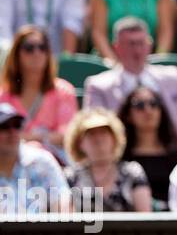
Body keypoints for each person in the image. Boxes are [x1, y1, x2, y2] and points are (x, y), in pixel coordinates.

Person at [84, 17, 177, 158]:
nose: (137, 50)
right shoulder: (99, 86)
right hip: (123, 163)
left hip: (174, 159)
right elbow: (93, 128)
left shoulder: (172, 77)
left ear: (149, 45)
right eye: (131, 44)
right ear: (117, 47)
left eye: (141, 43)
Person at [0, 25, 77, 160]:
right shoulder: (4, 95)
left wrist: (31, 139)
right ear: (16, 54)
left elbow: (67, 135)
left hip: (54, 164)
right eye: (29, 48)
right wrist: (44, 137)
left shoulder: (64, 91)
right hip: (12, 164)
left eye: (42, 47)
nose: (37, 53)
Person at [63, 107, 150, 212]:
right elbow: (65, 218)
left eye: (103, 132)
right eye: (91, 134)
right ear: (79, 143)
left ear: (114, 138)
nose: (98, 139)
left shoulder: (132, 173)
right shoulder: (71, 177)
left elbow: (145, 216)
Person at [116, 84, 177, 206]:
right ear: (128, 115)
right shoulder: (119, 158)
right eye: (139, 105)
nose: (148, 110)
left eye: (154, 104)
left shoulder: (176, 158)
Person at [0, 102, 71, 214]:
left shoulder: (42, 161)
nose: (12, 132)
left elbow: (63, 202)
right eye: (4, 127)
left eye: (17, 125)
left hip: (42, 231)